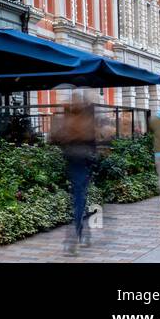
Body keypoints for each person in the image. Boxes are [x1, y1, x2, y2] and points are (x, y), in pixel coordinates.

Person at [51, 95, 98, 252]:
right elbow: (93, 142)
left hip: (73, 161)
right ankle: (77, 232)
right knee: (80, 196)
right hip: (84, 162)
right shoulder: (86, 120)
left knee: (78, 196)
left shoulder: (68, 120)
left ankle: (80, 231)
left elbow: (56, 139)